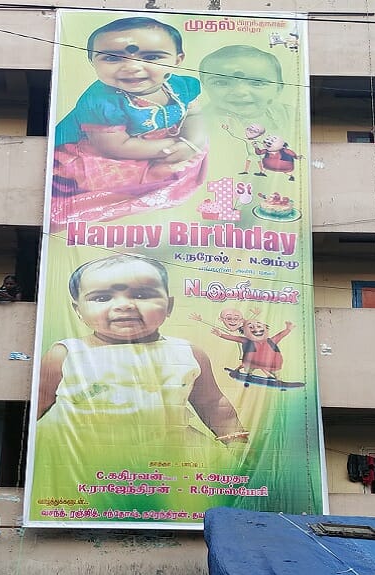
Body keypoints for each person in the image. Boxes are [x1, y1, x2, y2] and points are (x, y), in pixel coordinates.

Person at [35, 255, 247, 472]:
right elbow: (37, 406)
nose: (124, 305)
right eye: (102, 298)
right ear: (78, 310)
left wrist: (237, 446)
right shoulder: (66, 354)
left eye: (141, 295)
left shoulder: (187, 353)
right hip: (84, 463)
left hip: (172, 462)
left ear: (169, 305)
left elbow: (213, 403)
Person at [49, 17, 207, 227]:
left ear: (177, 59)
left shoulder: (181, 85)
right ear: (92, 61)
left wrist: (191, 142)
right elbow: (114, 146)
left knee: (199, 147)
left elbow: (194, 114)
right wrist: (172, 146)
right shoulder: (100, 101)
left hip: (159, 141)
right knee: (116, 181)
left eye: (151, 57)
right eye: (113, 59)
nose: (132, 67)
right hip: (104, 149)